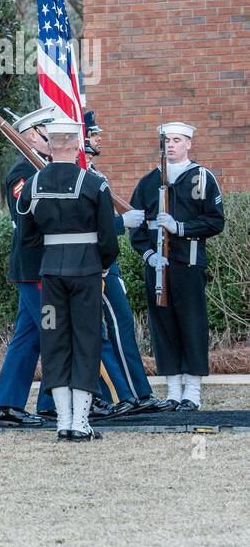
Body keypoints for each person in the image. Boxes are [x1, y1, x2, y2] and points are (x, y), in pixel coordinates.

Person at [17, 118, 118, 440]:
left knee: (54, 342)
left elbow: (26, 237)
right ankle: (80, 422)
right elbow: (108, 239)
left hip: (51, 276)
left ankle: (63, 421)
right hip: (87, 272)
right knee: (86, 342)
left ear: (51, 145)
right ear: (75, 146)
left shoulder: (32, 185)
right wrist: (101, 265)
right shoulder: (95, 184)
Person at [125, 121, 224, 411]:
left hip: (188, 264)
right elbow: (137, 227)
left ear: (189, 144)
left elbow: (215, 221)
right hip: (158, 266)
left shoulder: (202, 178)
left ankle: (192, 391)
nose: (171, 145)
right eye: (167, 140)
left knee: (192, 325)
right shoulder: (148, 182)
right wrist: (148, 256)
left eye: (178, 140)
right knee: (163, 327)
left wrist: (180, 227)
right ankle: (172, 390)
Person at [82, 112, 158, 416]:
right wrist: (120, 223)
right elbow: (87, 225)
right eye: (94, 134)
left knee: (121, 325)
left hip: (107, 263)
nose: (99, 138)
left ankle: (138, 393)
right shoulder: (83, 177)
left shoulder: (95, 174)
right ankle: (119, 395)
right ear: (82, 139)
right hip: (91, 264)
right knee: (102, 330)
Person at [0, 105, 58, 427]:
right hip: (35, 266)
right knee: (51, 330)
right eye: (49, 131)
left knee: (30, 335)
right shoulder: (23, 173)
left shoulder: (45, 168)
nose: (55, 137)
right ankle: (46, 401)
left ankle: (13, 404)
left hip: (47, 264)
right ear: (33, 135)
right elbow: (24, 216)